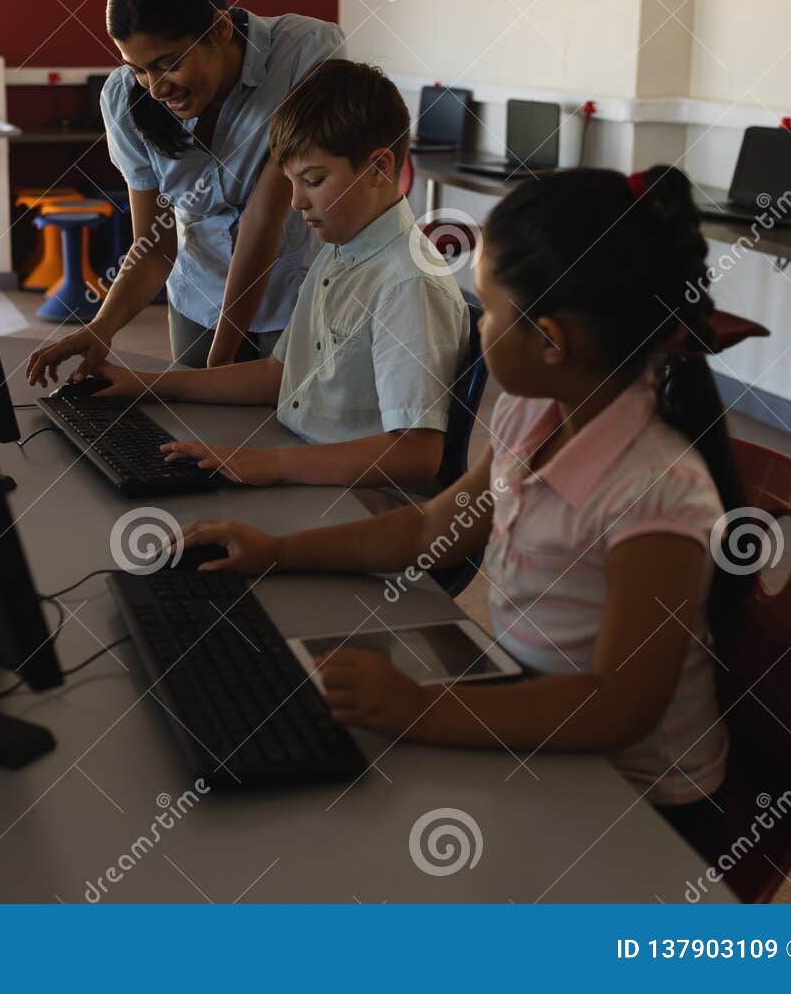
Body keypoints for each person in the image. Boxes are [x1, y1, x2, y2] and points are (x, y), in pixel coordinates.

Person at [177, 166, 755, 856]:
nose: (477, 323)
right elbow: (429, 527)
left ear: (549, 339)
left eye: (488, 306)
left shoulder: (654, 489)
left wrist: (419, 708)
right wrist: (279, 551)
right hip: (537, 720)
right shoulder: (533, 413)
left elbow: (618, 705)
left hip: (641, 806)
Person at [73, 60, 468, 491]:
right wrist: (147, 385)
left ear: (378, 168)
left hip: (357, 500)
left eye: (313, 180)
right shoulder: (339, 252)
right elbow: (279, 375)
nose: (296, 203)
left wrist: (273, 464)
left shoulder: (406, 284)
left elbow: (415, 455)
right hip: (304, 465)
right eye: (291, 182)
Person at [26, 0, 343, 379]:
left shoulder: (305, 53)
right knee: (199, 437)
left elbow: (264, 217)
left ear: (218, 28)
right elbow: (155, 246)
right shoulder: (123, 98)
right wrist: (103, 327)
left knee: (282, 430)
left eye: (168, 63)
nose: (155, 88)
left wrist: (215, 370)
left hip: (295, 293)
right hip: (199, 295)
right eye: (138, 68)